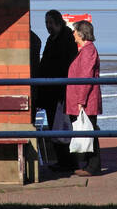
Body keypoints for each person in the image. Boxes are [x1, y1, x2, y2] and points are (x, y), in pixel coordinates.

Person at [39, 10, 78, 174]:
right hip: (50, 91)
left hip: (61, 91)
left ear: (58, 22)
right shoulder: (51, 39)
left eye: (50, 23)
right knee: (55, 127)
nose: (48, 26)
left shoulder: (66, 39)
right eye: (46, 23)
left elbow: (66, 64)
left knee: (63, 126)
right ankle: (61, 160)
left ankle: (68, 161)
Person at [66, 19, 102, 176]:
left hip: (86, 101)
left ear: (81, 33)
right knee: (86, 131)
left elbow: (86, 76)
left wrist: (81, 100)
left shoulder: (88, 51)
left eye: (74, 31)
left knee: (90, 131)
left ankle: (93, 166)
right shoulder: (85, 50)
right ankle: (88, 164)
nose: (73, 34)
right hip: (82, 99)